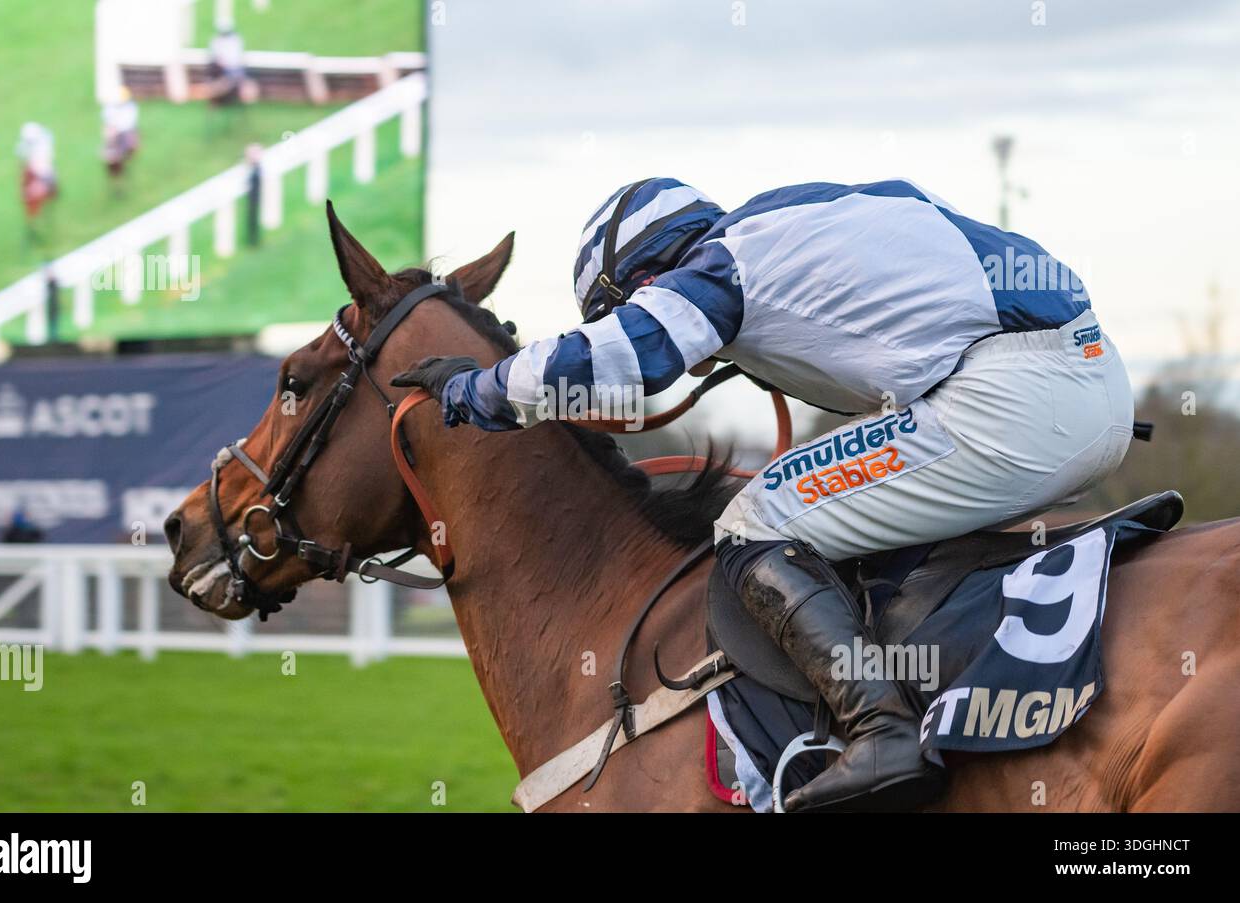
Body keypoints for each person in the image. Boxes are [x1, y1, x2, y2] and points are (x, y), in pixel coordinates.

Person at [391, 177, 1134, 812]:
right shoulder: (782, 225)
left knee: (758, 517)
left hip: (1024, 395)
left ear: (645, 282)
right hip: (1074, 376)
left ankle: (882, 727)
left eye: (624, 304)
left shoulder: (719, 266)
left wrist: (473, 389)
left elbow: (626, 355)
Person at [101, 86, 140, 180]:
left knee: (131, 144)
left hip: (125, 131)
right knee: (110, 150)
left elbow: (129, 123)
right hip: (115, 132)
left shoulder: (130, 107)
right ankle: (113, 164)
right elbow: (108, 121)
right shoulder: (110, 107)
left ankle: (125, 158)